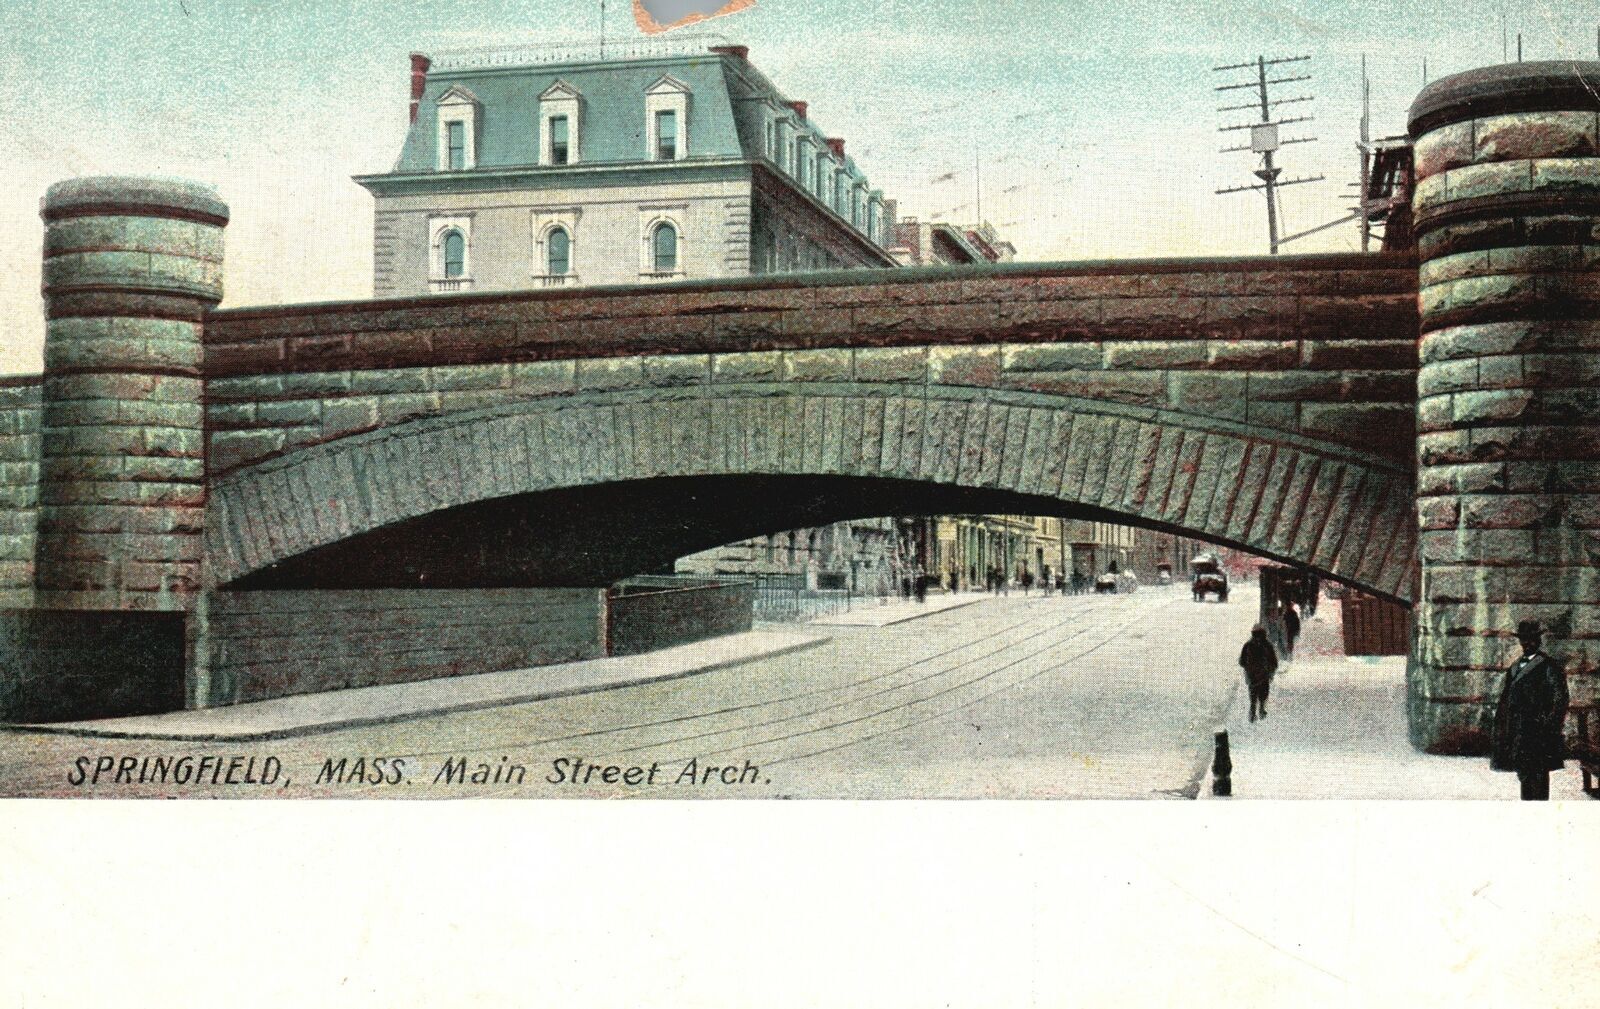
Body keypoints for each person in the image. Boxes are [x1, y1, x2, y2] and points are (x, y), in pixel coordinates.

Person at [1491, 619, 1569, 800]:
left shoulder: (1549, 666)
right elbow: (1506, 699)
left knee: (1539, 776)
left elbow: (1560, 699)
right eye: (1524, 640)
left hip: (1538, 732)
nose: (1527, 644)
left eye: (1531, 639)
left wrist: (1549, 725)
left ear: (1539, 641)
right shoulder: (1514, 667)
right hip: (1519, 731)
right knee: (1524, 774)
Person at [1238, 625, 1278, 723]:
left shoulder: (1247, 645)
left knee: (1253, 696)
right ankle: (1261, 710)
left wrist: (1248, 669)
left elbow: (1241, 661)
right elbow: (1274, 662)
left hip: (1252, 677)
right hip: (1264, 676)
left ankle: (1252, 713)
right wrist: (1270, 672)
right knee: (1263, 695)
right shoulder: (1268, 645)